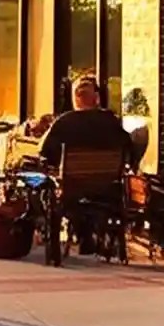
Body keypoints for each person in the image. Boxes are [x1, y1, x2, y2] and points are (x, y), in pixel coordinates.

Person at [37, 75, 133, 255]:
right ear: (95, 98)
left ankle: (81, 235)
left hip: (72, 188)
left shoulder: (64, 122)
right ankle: (89, 232)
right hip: (108, 189)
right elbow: (128, 147)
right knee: (87, 191)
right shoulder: (111, 121)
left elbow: (44, 152)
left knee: (49, 188)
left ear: (75, 99)